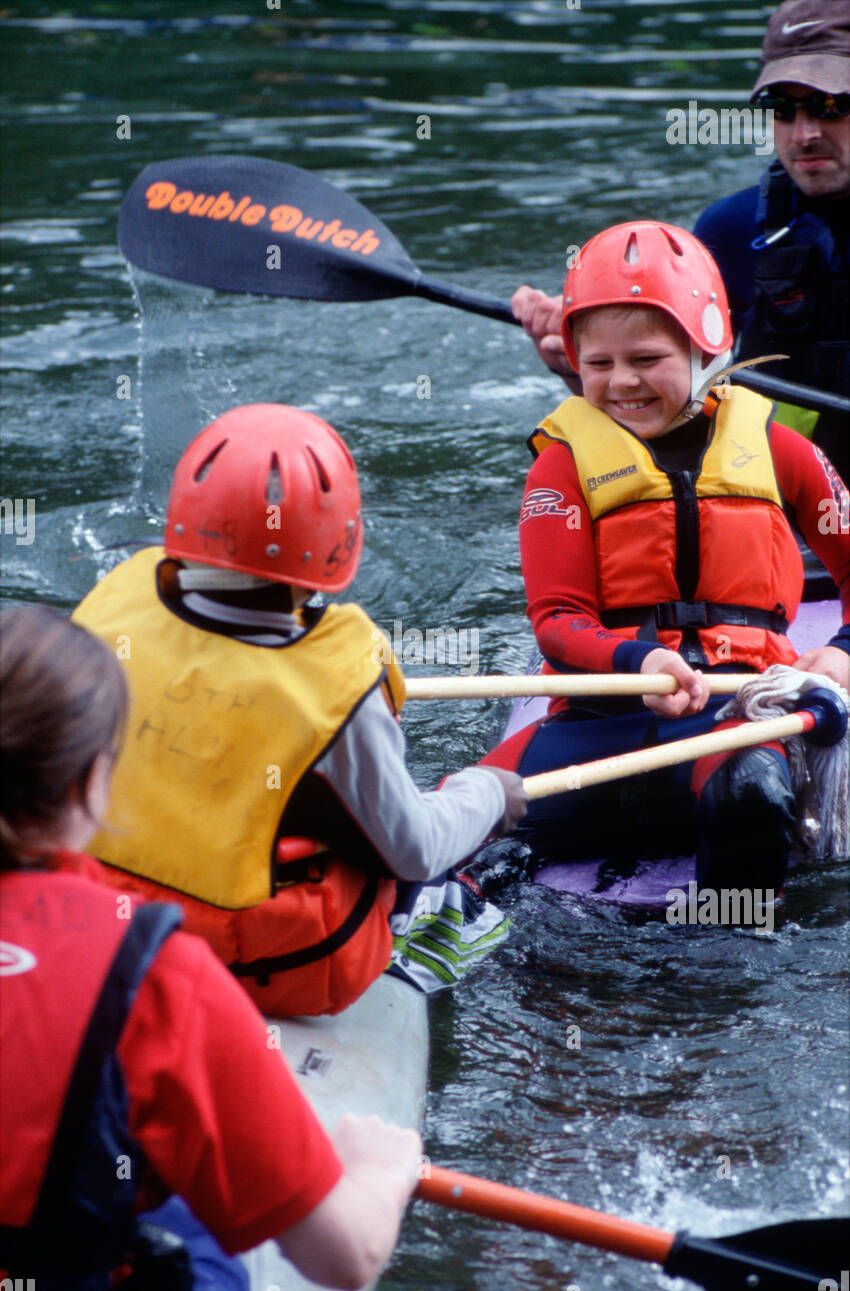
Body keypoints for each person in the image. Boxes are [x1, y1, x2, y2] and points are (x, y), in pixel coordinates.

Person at [0, 605, 422, 1291]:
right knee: (186, 1221)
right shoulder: (154, 975)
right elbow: (344, 1257)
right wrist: (379, 1171)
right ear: (90, 784)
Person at [73, 403, 526, 1015]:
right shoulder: (336, 681)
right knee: (452, 879)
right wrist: (490, 794)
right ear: (337, 545)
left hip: (101, 919)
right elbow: (411, 848)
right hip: (267, 967)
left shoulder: (114, 604)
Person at [483, 220, 850, 893]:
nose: (622, 383)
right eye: (598, 364)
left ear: (704, 348)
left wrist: (843, 651)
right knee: (461, 819)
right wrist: (639, 662)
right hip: (601, 712)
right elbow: (556, 620)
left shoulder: (780, 449)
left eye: (646, 359)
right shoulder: (562, 467)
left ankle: (727, 973)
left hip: (736, 711)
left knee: (751, 798)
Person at [512, 1, 850, 483]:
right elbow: (667, 414)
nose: (805, 133)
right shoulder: (729, 234)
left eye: (831, 105)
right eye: (781, 107)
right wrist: (590, 361)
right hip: (785, 510)